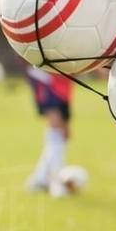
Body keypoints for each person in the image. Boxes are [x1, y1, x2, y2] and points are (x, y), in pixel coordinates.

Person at [24, 65, 73, 198]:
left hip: (63, 85)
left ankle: (39, 179)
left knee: (63, 136)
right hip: (48, 81)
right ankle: (56, 182)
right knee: (56, 130)